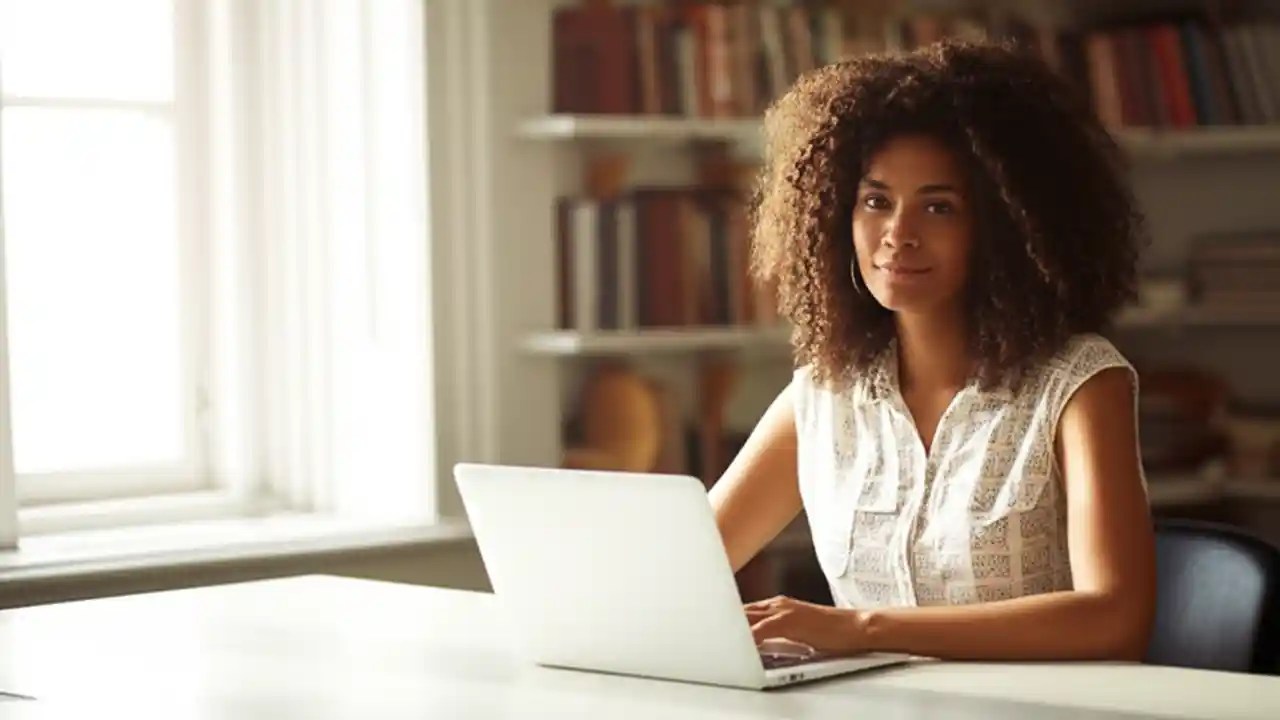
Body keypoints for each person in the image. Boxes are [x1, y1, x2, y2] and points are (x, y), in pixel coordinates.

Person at [708, 39, 1156, 662]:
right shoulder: (822, 395)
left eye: (939, 207)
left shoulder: (1080, 383)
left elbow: (1114, 618)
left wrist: (861, 629)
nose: (898, 235)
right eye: (876, 201)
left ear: (1007, 227)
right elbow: (689, 567)